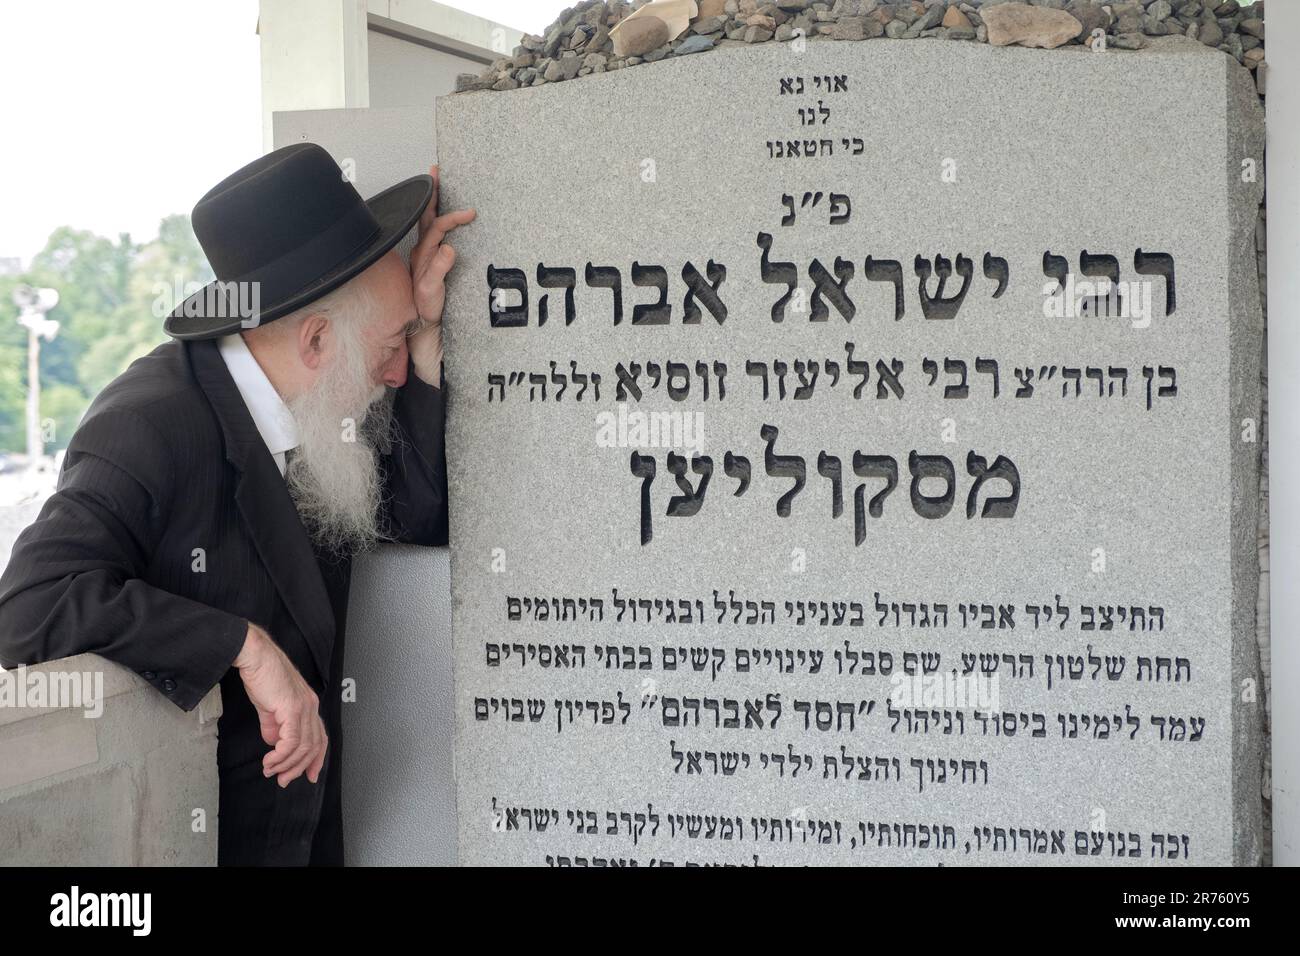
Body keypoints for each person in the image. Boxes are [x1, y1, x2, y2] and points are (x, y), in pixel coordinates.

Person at [0, 143, 475, 865]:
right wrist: (242, 645)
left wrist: (429, 332)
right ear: (317, 340)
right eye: (391, 343)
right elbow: (28, 608)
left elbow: (410, 517)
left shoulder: (309, 396)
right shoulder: (148, 424)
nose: (397, 369)